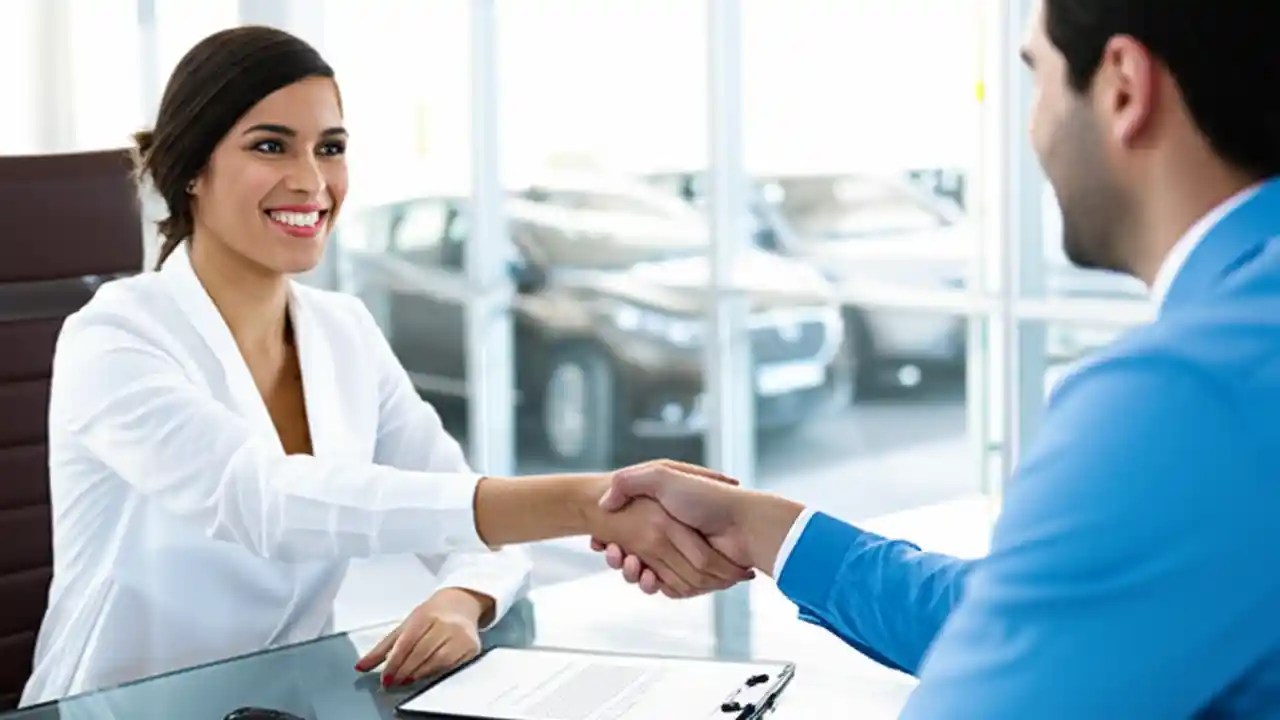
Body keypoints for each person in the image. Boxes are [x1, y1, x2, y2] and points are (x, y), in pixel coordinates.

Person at [22, 26, 751, 707]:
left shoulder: (345, 332)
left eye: (330, 147)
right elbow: (269, 502)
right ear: (192, 170)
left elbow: (462, 513)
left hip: (284, 702)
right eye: (271, 147)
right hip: (115, 707)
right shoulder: (115, 338)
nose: (312, 181)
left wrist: (463, 599)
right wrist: (582, 501)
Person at [594, 0, 1280, 716]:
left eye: (1037, 78)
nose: (1034, 128)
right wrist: (759, 527)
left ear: (1123, 89)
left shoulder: (1186, 398)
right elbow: (1050, 618)